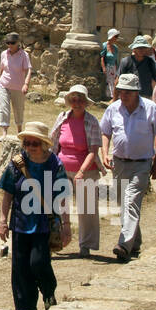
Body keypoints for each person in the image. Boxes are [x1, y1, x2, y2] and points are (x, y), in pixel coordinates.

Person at [0, 122, 71, 310]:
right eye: (27, 143)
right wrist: (3, 221)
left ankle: (48, 291)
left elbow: (63, 196)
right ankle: (27, 307)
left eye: (34, 144)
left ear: (44, 145)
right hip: (20, 223)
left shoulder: (55, 164)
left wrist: (67, 225)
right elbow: (7, 194)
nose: (29, 147)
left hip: (44, 223)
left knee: (38, 262)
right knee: (21, 267)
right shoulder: (16, 163)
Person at [100, 74, 156, 262]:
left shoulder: (151, 109)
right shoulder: (113, 109)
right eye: (121, 91)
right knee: (124, 204)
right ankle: (135, 242)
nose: (123, 95)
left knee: (130, 201)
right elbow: (106, 131)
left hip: (142, 164)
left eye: (128, 92)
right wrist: (105, 152)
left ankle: (124, 244)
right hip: (119, 163)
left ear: (137, 92)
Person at [49, 84, 103, 256]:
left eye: (80, 99)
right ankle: (58, 240)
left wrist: (81, 172)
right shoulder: (62, 118)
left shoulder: (92, 121)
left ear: (86, 102)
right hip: (62, 168)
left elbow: (93, 151)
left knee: (86, 208)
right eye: (74, 99)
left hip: (86, 169)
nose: (77, 102)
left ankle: (86, 245)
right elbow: (53, 142)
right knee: (59, 206)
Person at [0, 33, 31, 138]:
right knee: (4, 108)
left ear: (18, 43)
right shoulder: (4, 54)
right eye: (8, 43)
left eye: (12, 43)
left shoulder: (24, 55)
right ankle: (4, 133)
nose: (10, 45)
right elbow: (1, 69)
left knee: (18, 109)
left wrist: (26, 84)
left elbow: (29, 69)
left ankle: (19, 131)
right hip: (4, 85)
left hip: (18, 87)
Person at [118, 36, 156, 101]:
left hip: (146, 97)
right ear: (134, 49)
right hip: (129, 96)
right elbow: (118, 80)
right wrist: (115, 99)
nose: (141, 50)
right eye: (139, 48)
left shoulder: (152, 63)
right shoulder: (126, 62)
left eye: (143, 47)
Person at [101, 29, 120, 100]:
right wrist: (103, 68)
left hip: (114, 67)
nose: (117, 38)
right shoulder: (104, 45)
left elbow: (116, 60)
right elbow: (102, 57)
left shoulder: (115, 48)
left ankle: (113, 96)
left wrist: (117, 69)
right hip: (107, 66)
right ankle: (108, 96)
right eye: (116, 36)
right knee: (108, 81)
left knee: (114, 81)